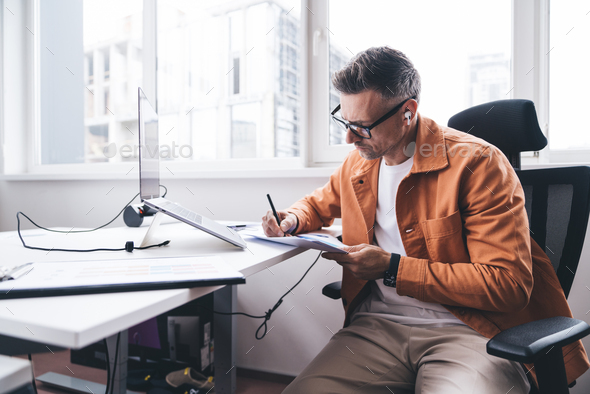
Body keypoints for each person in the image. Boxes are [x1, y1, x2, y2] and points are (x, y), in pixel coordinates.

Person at [261, 46, 589, 394]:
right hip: (376, 328)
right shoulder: (358, 164)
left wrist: (392, 268)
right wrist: (293, 219)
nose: (348, 137)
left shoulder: (478, 164)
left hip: (473, 332)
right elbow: (319, 203)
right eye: (345, 120)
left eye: (362, 127)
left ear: (408, 112)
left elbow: (507, 284)